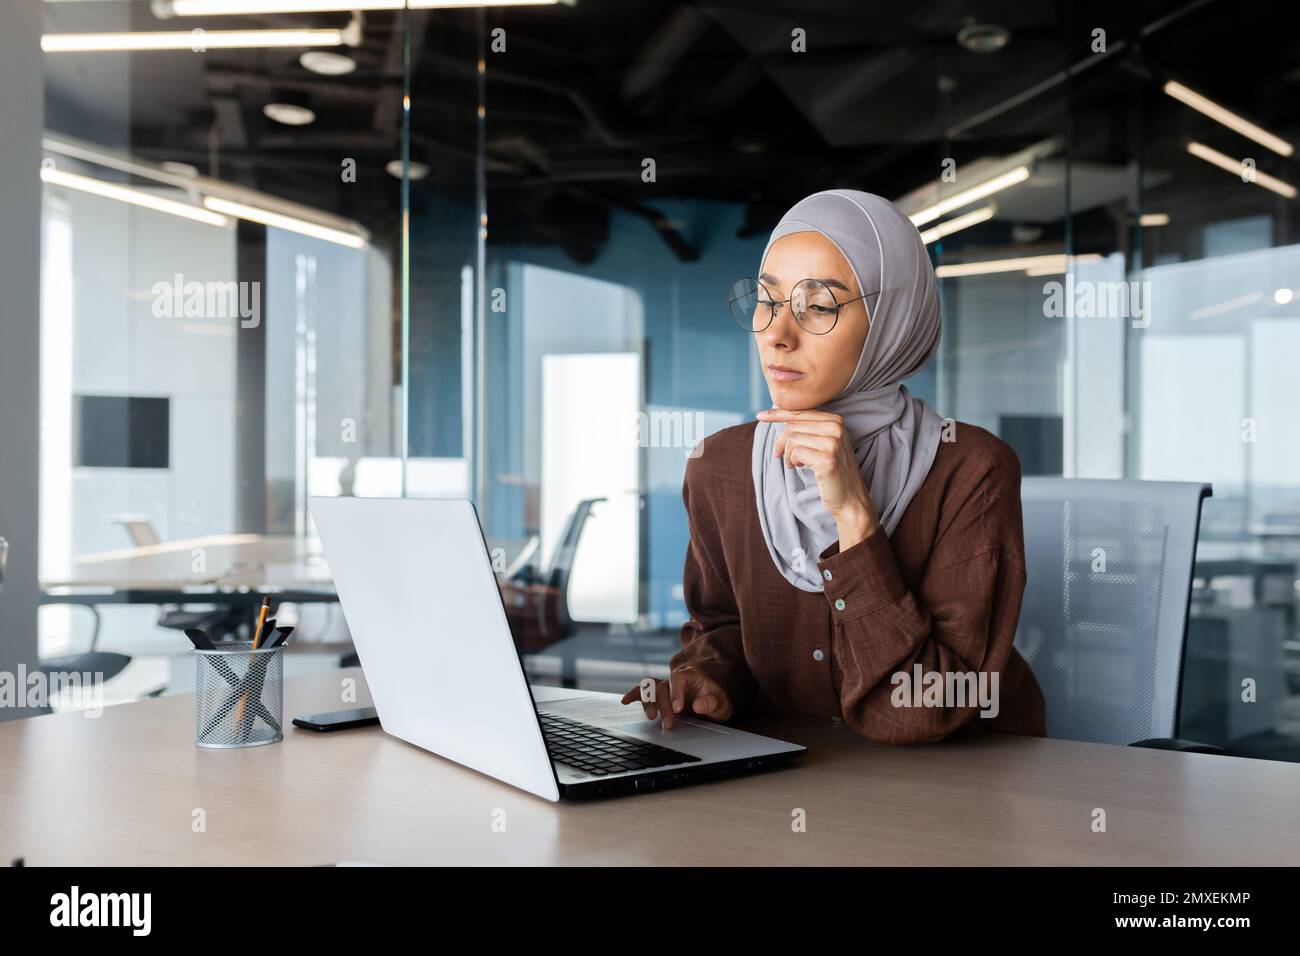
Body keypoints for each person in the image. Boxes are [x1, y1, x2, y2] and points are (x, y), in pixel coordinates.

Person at [621, 189, 1045, 744]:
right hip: (800, 782)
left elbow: (923, 708)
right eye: (767, 300)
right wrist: (705, 680)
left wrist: (852, 513)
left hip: (971, 788)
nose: (777, 333)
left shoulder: (971, 469)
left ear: (892, 321)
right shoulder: (719, 465)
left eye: (818, 307)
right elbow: (723, 629)